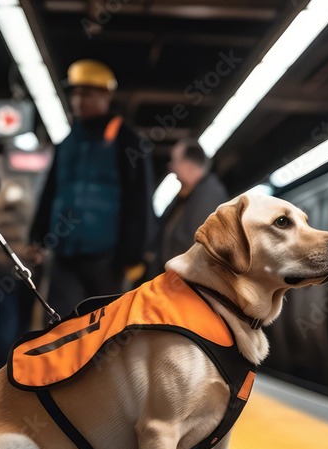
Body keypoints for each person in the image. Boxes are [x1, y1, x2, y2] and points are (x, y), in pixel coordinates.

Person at [27, 60, 154, 316]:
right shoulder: (66, 143)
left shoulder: (128, 141)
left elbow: (138, 200)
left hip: (107, 259)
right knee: (61, 325)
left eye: (87, 93)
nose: (78, 100)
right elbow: (52, 192)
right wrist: (37, 238)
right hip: (64, 254)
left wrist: (133, 254)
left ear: (106, 95)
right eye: (75, 93)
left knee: (103, 328)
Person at [155, 139, 229, 268]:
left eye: (175, 161)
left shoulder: (209, 196)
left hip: (181, 279)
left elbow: (196, 248)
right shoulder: (188, 193)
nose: (171, 167)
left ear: (188, 165)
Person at [0, 181, 35, 371]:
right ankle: (17, 363)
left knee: (4, 315)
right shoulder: (28, 209)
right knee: (22, 318)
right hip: (22, 268)